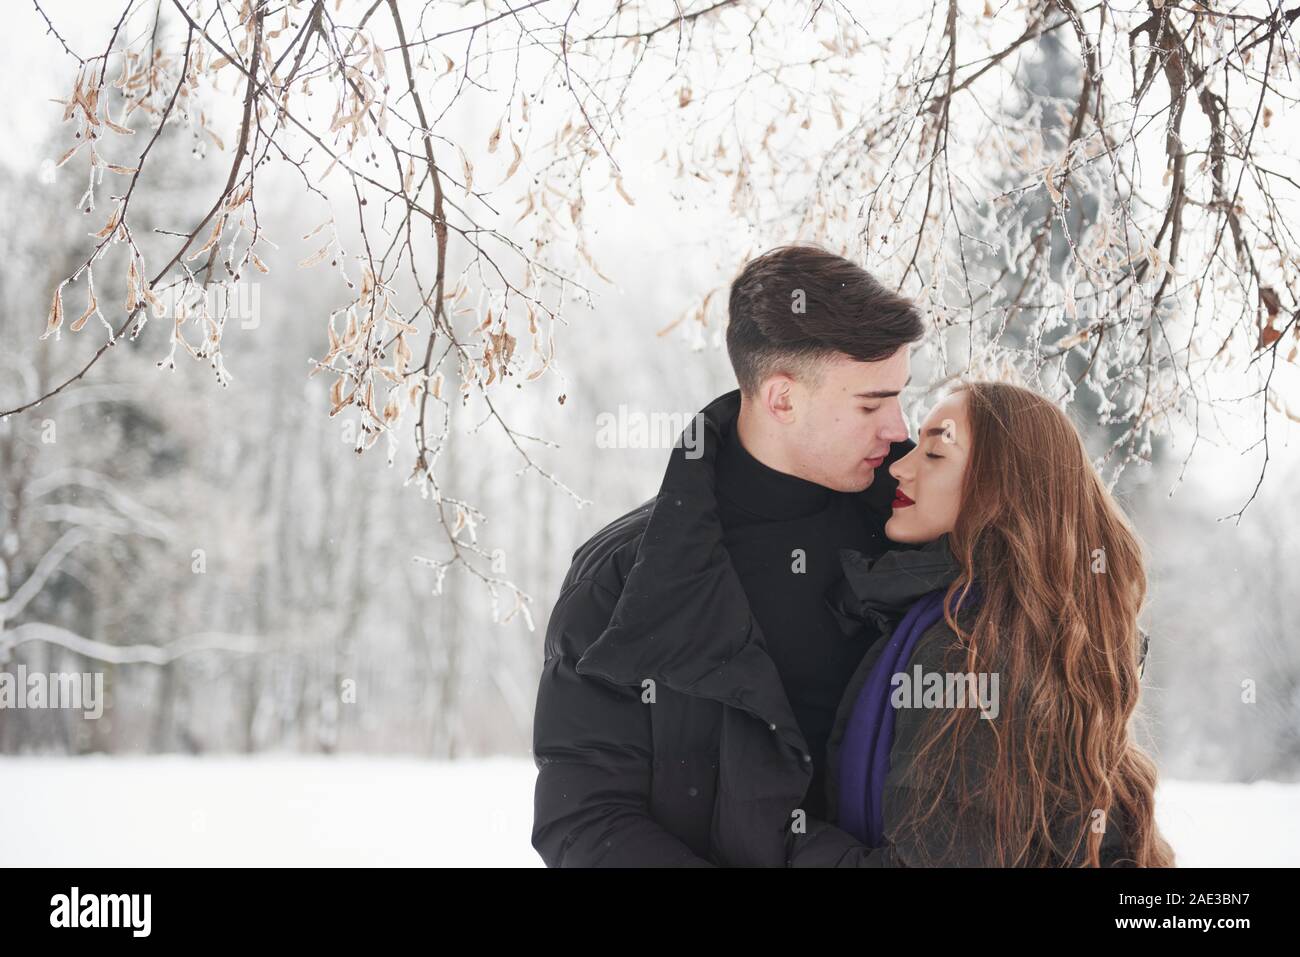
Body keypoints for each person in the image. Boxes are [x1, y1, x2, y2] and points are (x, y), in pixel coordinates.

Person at [530, 243, 924, 866]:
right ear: (783, 399)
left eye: (901, 396)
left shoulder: (923, 539)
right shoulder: (626, 576)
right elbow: (584, 819)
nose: (900, 428)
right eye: (871, 403)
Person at [752, 381, 1176, 867]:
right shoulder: (998, 627)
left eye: (934, 454)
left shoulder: (972, 653)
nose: (900, 467)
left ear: (1000, 490)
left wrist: (783, 838)